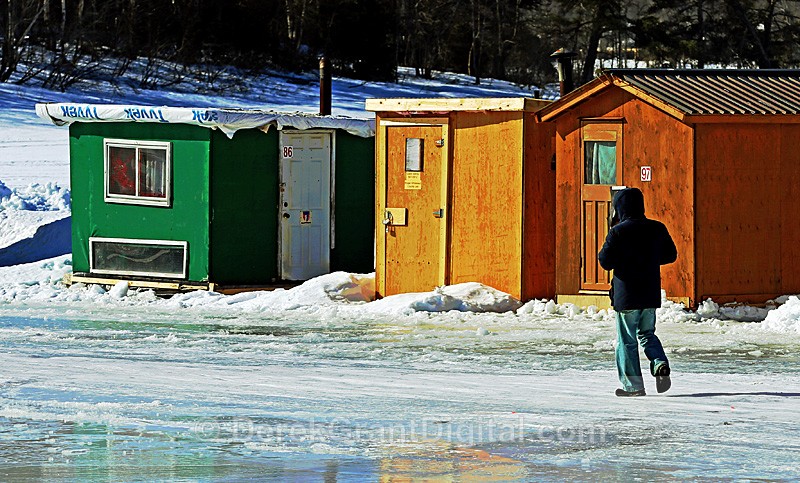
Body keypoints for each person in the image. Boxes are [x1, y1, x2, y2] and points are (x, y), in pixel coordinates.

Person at [598, 187, 677, 397]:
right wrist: (649, 260)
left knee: (626, 341)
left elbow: (604, 261)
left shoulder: (618, 232)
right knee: (647, 334)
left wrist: (625, 259)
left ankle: (633, 387)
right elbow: (671, 255)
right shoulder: (657, 228)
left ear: (620, 208)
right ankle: (659, 362)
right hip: (649, 293)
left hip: (627, 296)